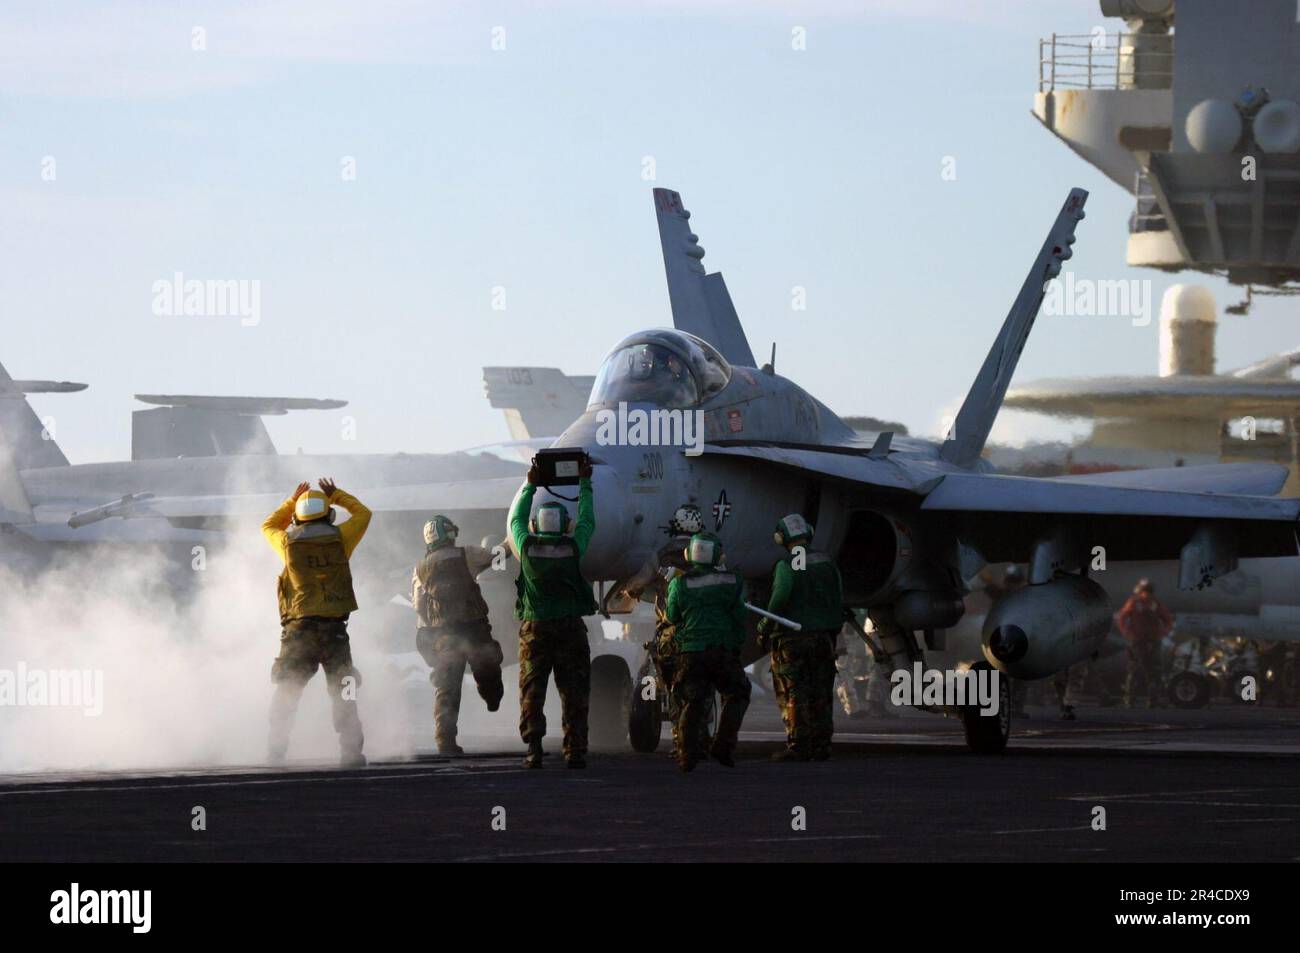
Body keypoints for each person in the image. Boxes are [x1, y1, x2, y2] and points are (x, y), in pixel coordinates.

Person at [262, 479, 371, 767]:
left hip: (299, 631)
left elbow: (268, 526)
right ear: (329, 514)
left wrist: (290, 501)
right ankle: (351, 753)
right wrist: (336, 495)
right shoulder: (341, 538)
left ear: (298, 516)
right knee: (343, 692)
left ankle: (275, 752)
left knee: (288, 690)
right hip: (334, 631)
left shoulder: (287, 543)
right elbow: (363, 514)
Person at [509, 455, 597, 769]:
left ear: (536, 526)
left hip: (536, 630)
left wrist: (530, 485)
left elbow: (516, 521)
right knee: (574, 692)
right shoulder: (574, 548)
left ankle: (533, 749)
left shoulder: (526, 549)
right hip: (570, 629)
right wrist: (585, 483)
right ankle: (575, 751)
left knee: (532, 690)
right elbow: (588, 521)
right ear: (565, 526)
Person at [604, 503, 705, 759]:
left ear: (674, 526)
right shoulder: (708, 554)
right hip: (702, 631)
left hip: (669, 630)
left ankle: (679, 740)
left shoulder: (662, 555)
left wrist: (629, 591)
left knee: (656, 677)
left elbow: (639, 581)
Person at [412, 514, 506, 755]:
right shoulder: (468, 554)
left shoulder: (420, 568)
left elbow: (419, 606)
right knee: (489, 670)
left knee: (447, 687)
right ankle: (492, 699)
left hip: (445, 635)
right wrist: (512, 539)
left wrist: (432, 632)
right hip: (475, 629)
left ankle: (445, 742)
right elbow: (497, 555)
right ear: (449, 534)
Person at [758, 513, 844, 762]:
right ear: (809, 532)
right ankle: (822, 744)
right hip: (824, 638)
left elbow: (780, 597)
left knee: (794, 691)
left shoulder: (786, 565)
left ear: (780, 538)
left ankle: (799, 745)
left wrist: (764, 624)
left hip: (792, 640)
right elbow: (838, 595)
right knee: (821, 691)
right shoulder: (827, 561)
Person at [663, 531, 751, 771]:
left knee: (692, 701)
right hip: (722, 651)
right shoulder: (733, 582)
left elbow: (672, 617)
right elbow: (740, 617)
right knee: (738, 693)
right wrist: (735, 646)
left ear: (687, 554)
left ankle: (686, 755)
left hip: (691, 652)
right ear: (719, 556)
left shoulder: (679, 584)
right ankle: (723, 746)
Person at [1115, 578, 1173, 708]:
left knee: (1138, 669)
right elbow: (1167, 620)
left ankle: (1132, 700)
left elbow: (1121, 618)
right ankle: (1150, 700)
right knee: (1149, 670)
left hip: (1141, 640)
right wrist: (1162, 633)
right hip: (1145, 640)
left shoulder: (1136, 602)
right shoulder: (1152, 603)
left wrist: (1128, 633)